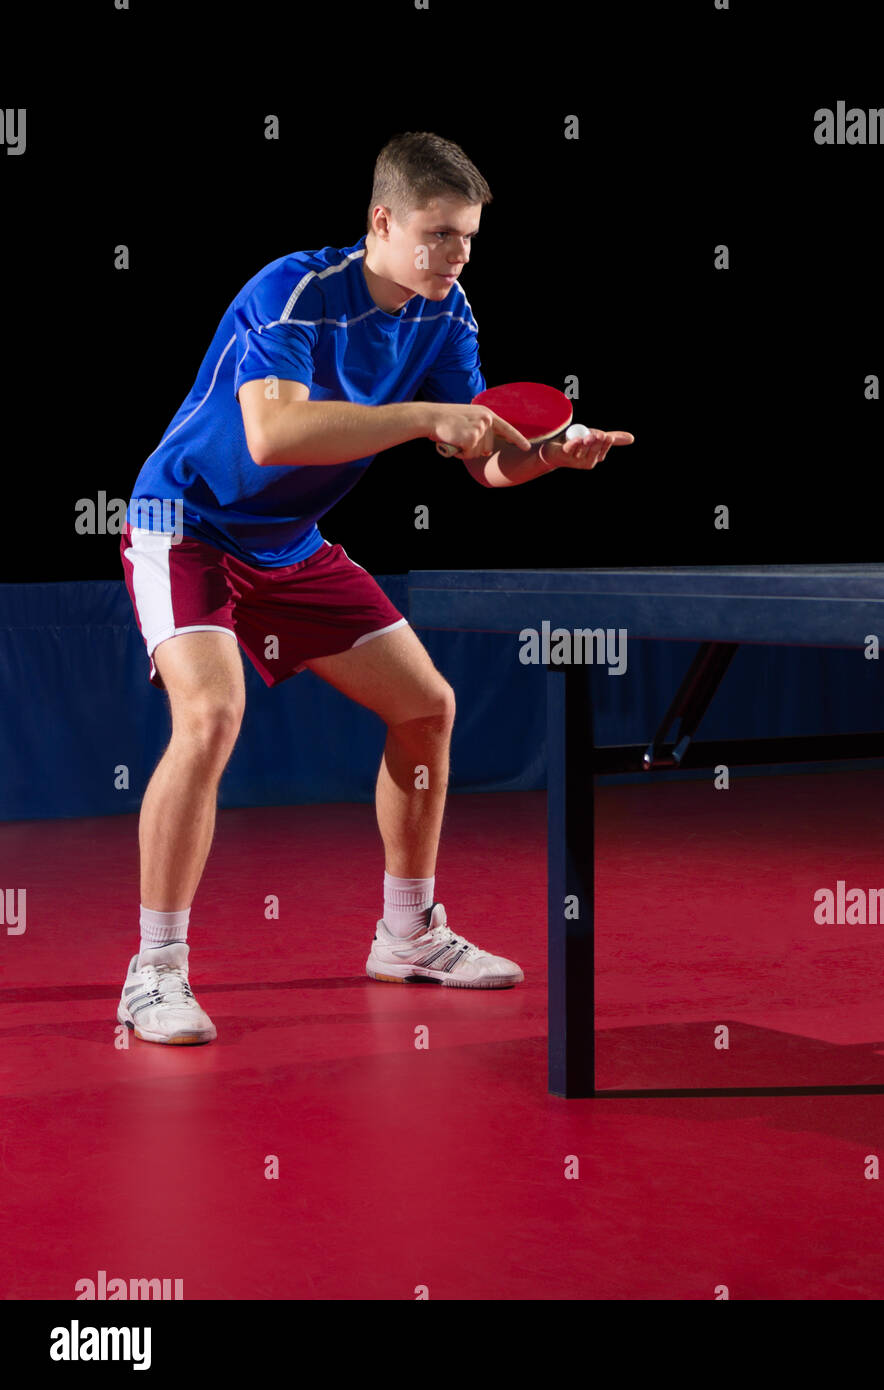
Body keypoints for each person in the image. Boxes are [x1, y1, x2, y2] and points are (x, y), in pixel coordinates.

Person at [116, 131, 634, 1045]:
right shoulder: (292, 293)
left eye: (469, 237)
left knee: (427, 708)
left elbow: (483, 464)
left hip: (288, 544)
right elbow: (276, 436)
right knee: (210, 717)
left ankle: (407, 935)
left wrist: (550, 457)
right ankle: (154, 973)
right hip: (187, 524)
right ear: (383, 222)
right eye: (439, 234)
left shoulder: (447, 312)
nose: (457, 254)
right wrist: (425, 416)